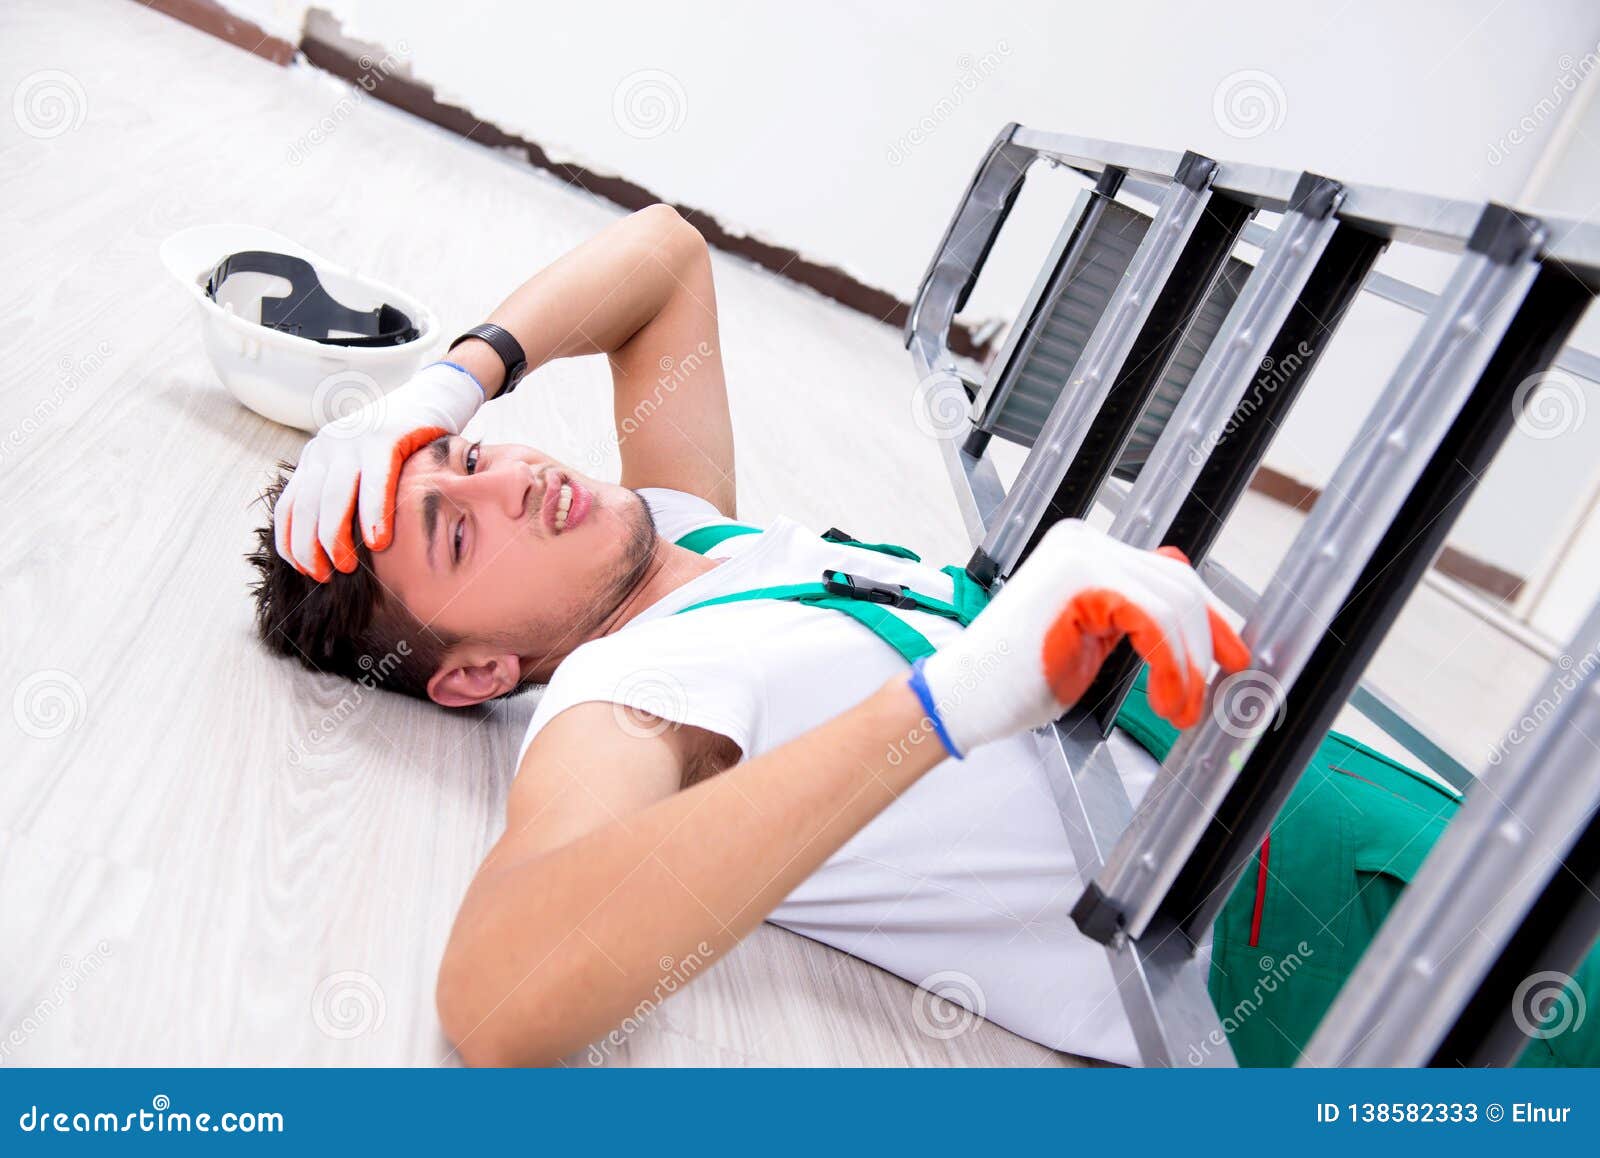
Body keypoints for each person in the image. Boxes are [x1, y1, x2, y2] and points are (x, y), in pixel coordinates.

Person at [249, 206, 1597, 1068]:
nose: (506, 480)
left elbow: (663, 256)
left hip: (1336, 779)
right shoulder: (626, 688)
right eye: (457, 533)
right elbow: (496, 997)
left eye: (467, 461)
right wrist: (954, 698)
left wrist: (435, 384)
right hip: (1301, 960)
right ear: (476, 671)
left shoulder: (685, 536)